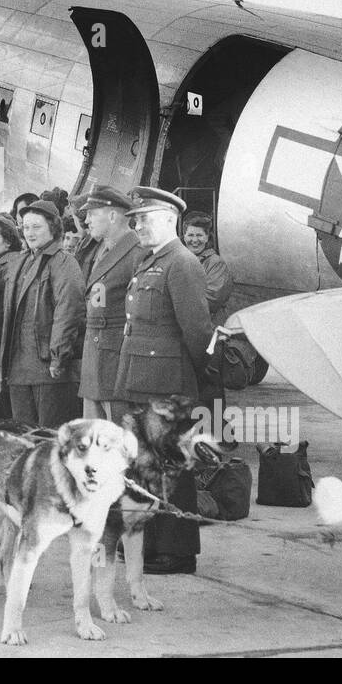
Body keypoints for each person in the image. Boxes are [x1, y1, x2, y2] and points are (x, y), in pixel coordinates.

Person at [117, 186, 213, 575]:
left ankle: (177, 550)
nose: (137, 225)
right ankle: (151, 544)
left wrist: (192, 377)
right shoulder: (150, 260)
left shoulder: (182, 262)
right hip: (142, 381)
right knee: (146, 465)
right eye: (134, 219)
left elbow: (197, 330)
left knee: (172, 467)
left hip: (168, 384)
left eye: (144, 218)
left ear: (169, 219)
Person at [0, 199, 85, 429]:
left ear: (53, 227)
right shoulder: (21, 262)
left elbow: (68, 311)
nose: (29, 232)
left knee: (50, 438)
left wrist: (58, 357)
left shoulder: (64, 262)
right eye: (26, 227)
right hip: (18, 368)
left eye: (36, 226)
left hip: (48, 369)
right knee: (25, 440)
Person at [72, 187, 143, 424]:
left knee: (119, 439)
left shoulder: (138, 253)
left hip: (116, 361)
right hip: (96, 358)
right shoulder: (102, 250)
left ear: (113, 216)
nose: (87, 219)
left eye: (92, 213)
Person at [182, 212, 234, 325]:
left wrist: (175, 300)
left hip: (208, 326)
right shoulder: (179, 261)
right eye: (190, 235)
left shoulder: (216, 263)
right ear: (184, 236)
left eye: (199, 235)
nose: (195, 240)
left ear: (207, 237)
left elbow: (212, 300)